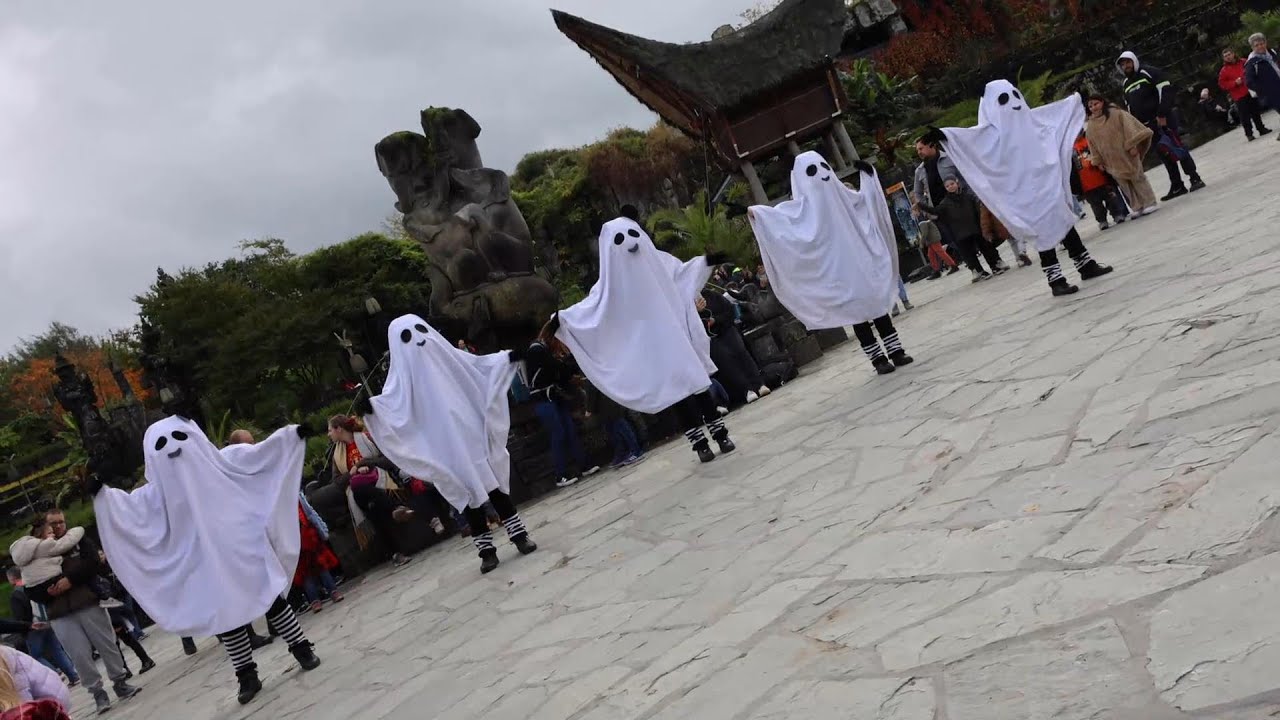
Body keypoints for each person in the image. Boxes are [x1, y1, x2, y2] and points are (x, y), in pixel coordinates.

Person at [90, 419, 322, 706]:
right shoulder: (155, 494)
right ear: (152, 456)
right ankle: (247, 674)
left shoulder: (222, 463)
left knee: (271, 599)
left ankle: (301, 648)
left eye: (178, 437)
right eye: (161, 445)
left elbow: (259, 455)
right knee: (226, 618)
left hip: (241, 547)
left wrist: (292, 435)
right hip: (202, 563)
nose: (172, 447)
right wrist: (101, 494)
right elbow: (128, 511)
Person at [356, 315, 537, 574]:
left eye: (420, 330)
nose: (417, 339)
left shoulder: (452, 359)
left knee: (495, 489)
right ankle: (486, 551)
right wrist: (371, 408)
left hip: (472, 437)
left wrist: (506, 358)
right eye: (406, 337)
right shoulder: (403, 381)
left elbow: (480, 367)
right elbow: (391, 405)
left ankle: (519, 536)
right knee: (468, 499)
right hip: (446, 449)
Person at [554, 208, 737, 464]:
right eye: (619, 239)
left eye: (631, 234)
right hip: (654, 349)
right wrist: (563, 320)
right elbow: (594, 309)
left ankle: (721, 434)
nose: (628, 242)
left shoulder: (660, 262)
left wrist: (708, 260)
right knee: (679, 398)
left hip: (678, 340)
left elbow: (683, 275)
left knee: (699, 389)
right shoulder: (611, 285)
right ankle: (700, 444)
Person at [928, 79, 1114, 297]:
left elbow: (1056, 116)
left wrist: (1076, 101)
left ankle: (1085, 265)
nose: (1014, 103)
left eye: (1016, 96)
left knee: (1063, 222)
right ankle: (1055, 279)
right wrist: (945, 135)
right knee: (1043, 231)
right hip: (1025, 195)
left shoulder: (1031, 121)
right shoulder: (991, 135)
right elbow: (970, 139)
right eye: (1004, 100)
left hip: (1047, 186)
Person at [748, 155, 914, 376]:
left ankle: (895, 350)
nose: (822, 174)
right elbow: (781, 221)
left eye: (824, 167)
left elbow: (866, 200)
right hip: (837, 273)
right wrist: (756, 213)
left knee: (876, 305)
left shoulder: (844, 196)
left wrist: (868, 175)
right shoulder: (804, 209)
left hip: (861, 264)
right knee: (857, 315)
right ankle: (877, 358)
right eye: (812, 172)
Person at [21, 511, 140, 714]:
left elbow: (93, 563)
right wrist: (48, 592)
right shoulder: (35, 551)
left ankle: (120, 681)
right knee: (79, 655)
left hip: (88, 602)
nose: (58, 527)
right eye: (53, 524)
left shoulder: (77, 540)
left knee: (107, 644)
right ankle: (97, 693)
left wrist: (70, 581)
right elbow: (30, 587)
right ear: (44, 527)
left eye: (61, 522)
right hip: (60, 612)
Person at [327, 415, 420, 567]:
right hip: (356, 492)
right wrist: (353, 472)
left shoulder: (367, 438)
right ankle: (396, 507)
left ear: (339, 429)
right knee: (359, 488)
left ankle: (396, 554)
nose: (329, 434)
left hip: (378, 483)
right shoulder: (337, 456)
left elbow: (386, 460)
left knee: (376, 511)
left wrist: (367, 464)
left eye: (330, 430)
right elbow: (337, 483)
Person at [1117, 50, 1205, 199]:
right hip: (1147, 127)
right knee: (1164, 154)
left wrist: (1162, 114)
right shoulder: (1126, 84)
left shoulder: (1149, 72)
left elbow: (1165, 91)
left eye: (1128, 62)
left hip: (1163, 120)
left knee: (1177, 148)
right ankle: (1177, 185)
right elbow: (1130, 107)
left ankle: (1194, 177)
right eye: (1123, 64)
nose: (1126, 66)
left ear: (1134, 61)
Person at [522, 333, 599, 487]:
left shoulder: (543, 351)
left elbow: (558, 373)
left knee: (570, 431)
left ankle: (584, 465)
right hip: (543, 400)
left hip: (555, 398)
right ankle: (560, 475)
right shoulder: (536, 350)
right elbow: (557, 368)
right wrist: (571, 360)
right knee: (558, 435)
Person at [915, 176, 1007, 282]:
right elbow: (935, 211)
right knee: (969, 253)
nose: (950, 187)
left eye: (952, 184)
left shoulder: (968, 196)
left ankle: (994, 266)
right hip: (960, 232)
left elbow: (977, 209)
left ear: (957, 183)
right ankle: (978, 271)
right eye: (947, 186)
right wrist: (920, 205)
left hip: (975, 228)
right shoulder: (945, 202)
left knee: (985, 248)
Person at [1085, 95, 1158, 220]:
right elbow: (1092, 144)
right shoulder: (1091, 125)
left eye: (1095, 104)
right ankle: (1137, 206)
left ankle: (1150, 202)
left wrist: (1133, 144)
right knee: (1124, 184)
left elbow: (1130, 128)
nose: (1093, 108)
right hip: (1110, 159)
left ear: (1102, 102)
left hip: (1127, 153)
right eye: (1090, 106)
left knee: (1138, 178)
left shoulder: (1117, 113)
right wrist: (1098, 160)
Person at [5, 570, 77, 686]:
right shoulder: (33, 586)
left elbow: (19, 615)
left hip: (33, 628)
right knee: (57, 649)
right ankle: (73, 676)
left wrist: (24, 627)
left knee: (36, 656)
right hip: (47, 622)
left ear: (12, 579)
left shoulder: (16, 594)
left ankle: (55, 675)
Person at [697, 290, 771, 404]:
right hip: (711, 338)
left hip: (727, 329)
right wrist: (700, 313)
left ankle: (759, 384)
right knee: (727, 363)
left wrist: (716, 320)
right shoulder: (687, 304)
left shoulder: (713, 295)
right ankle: (747, 389)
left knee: (742, 353)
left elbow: (730, 311)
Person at [912, 137, 964, 258]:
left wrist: (965, 195)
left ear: (932, 145)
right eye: (917, 150)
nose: (919, 152)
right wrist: (927, 208)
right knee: (956, 240)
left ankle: (994, 262)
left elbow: (963, 178)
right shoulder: (919, 170)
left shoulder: (949, 158)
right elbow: (917, 193)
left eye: (921, 148)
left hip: (960, 205)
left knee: (972, 234)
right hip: (939, 212)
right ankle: (974, 268)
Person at [1072, 130, 1130, 230]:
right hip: (1086, 184)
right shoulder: (1070, 149)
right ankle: (1102, 220)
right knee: (1096, 205)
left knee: (1111, 199)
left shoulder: (1090, 140)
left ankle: (1117, 214)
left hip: (1102, 178)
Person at [584, 382, 644, 468]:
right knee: (612, 430)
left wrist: (589, 408)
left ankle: (635, 450)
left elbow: (592, 389)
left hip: (607, 404)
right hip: (604, 405)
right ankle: (622, 453)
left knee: (621, 427)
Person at [0, 647, 70, 714]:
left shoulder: (6, 662)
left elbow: (23, 706)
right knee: (54, 649)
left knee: (37, 654)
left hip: (52, 706)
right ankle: (71, 674)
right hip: (57, 696)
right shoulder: (8, 653)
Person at [1219, 47, 1268, 141]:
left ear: (1233, 54)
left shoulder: (1244, 62)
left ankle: (1261, 129)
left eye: (1229, 54)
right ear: (1224, 59)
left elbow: (1253, 70)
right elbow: (1222, 84)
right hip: (1238, 95)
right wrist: (1234, 83)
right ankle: (1249, 134)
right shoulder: (1224, 70)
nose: (1228, 57)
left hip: (1250, 90)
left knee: (1255, 111)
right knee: (1244, 116)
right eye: (1225, 56)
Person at [1245, 33, 1280, 139]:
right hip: (1272, 93)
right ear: (1252, 47)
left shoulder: (1272, 53)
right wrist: (1263, 90)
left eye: (1262, 43)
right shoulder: (1252, 62)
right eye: (1257, 45)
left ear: (1265, 43)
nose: (1260, 46)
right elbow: (1249, 82)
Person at [979, 202, 1032, 267]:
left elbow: (985, 220)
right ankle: (1022, 252)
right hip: (1011, 221)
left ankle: (1019, 260)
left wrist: (987, 232)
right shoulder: (1000, 197)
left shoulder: (985, 204)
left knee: (1013, 242)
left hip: (1001, 227)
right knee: (1020, 238)